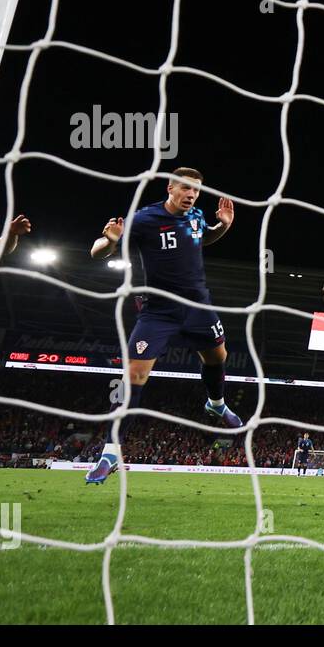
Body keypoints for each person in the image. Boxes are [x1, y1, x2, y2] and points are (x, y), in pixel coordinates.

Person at [85, 168, 242, 485]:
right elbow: (97, 251)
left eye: (196, 191)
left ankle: (216, 404)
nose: (191, 195)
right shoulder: (145, 219)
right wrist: (110, 242)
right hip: (158, 313)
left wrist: (222, 226)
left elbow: (204, 238)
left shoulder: (196, 216)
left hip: (198, 307)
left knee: (217, 358)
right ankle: (110, 454)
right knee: (133, 376)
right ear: (170, 187)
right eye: (186, 188)